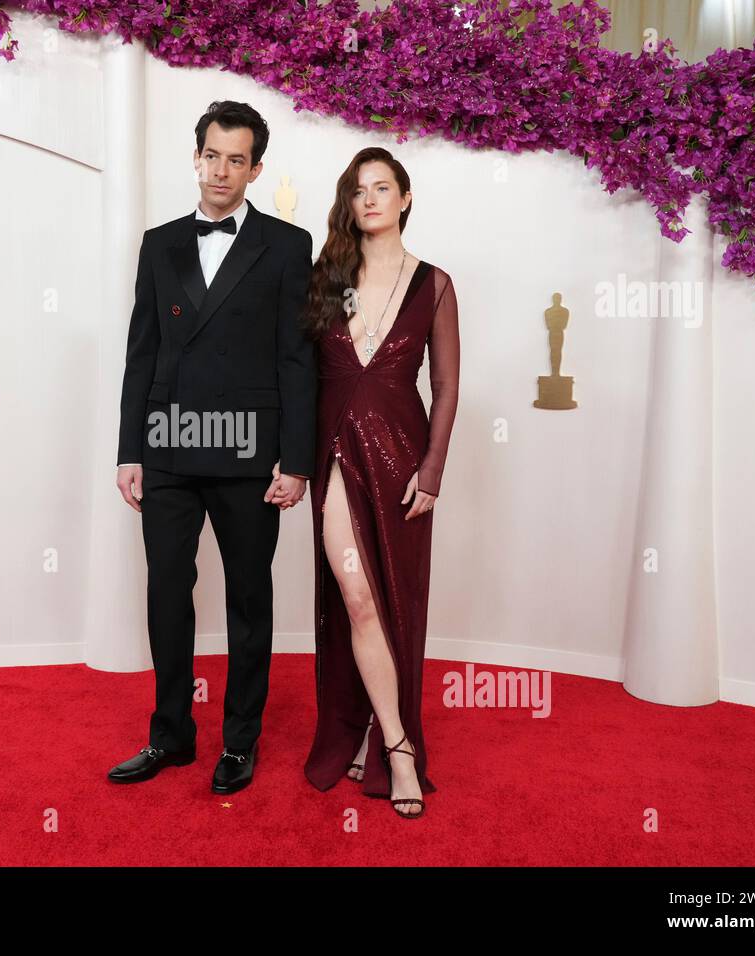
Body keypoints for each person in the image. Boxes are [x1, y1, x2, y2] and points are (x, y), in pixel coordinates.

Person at [108, 101, 317, 794]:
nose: (221, 170)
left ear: (256, 169)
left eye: (237, 159)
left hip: (250, 452)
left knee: (248, 599)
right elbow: (141, 351)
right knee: (167, 594)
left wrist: (297, 458)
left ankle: (239, 741)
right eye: (211, 155)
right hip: (167, 446)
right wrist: (129, 448)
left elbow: (296, 359)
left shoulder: (288, 246)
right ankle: (170, 735)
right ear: (194, 157)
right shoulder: (158, 241)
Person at [301, 147, 460, 819]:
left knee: (396, 600)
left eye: (382, 187)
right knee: (357, 598)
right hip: (334, 451)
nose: (369, 199)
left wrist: (432, 470)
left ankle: (382, 730)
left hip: (401, 460)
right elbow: (301, 374)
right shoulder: (328, 277)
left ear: (405, 198)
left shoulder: (435, 283)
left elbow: (448, 386)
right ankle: (398, 748)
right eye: (358, 189)